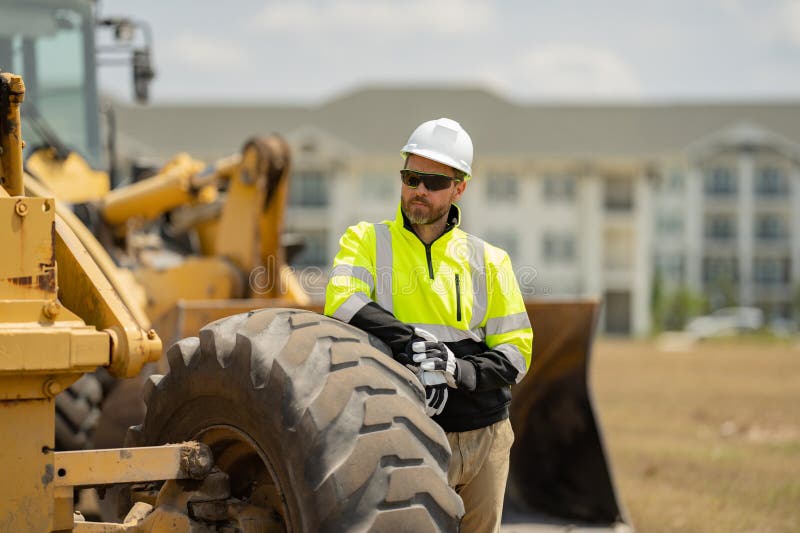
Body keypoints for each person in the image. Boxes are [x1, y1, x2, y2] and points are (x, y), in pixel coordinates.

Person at [324, 117, 533, 532]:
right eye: (411, 176)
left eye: (434, 182)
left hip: (485, 436)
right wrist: (412, 345)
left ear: (459, 188)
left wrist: (456, 369)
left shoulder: (489, 260)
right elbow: (342, 301)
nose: (419, 189)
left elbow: (516, 353)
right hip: (403, 434)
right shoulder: (366, 240)